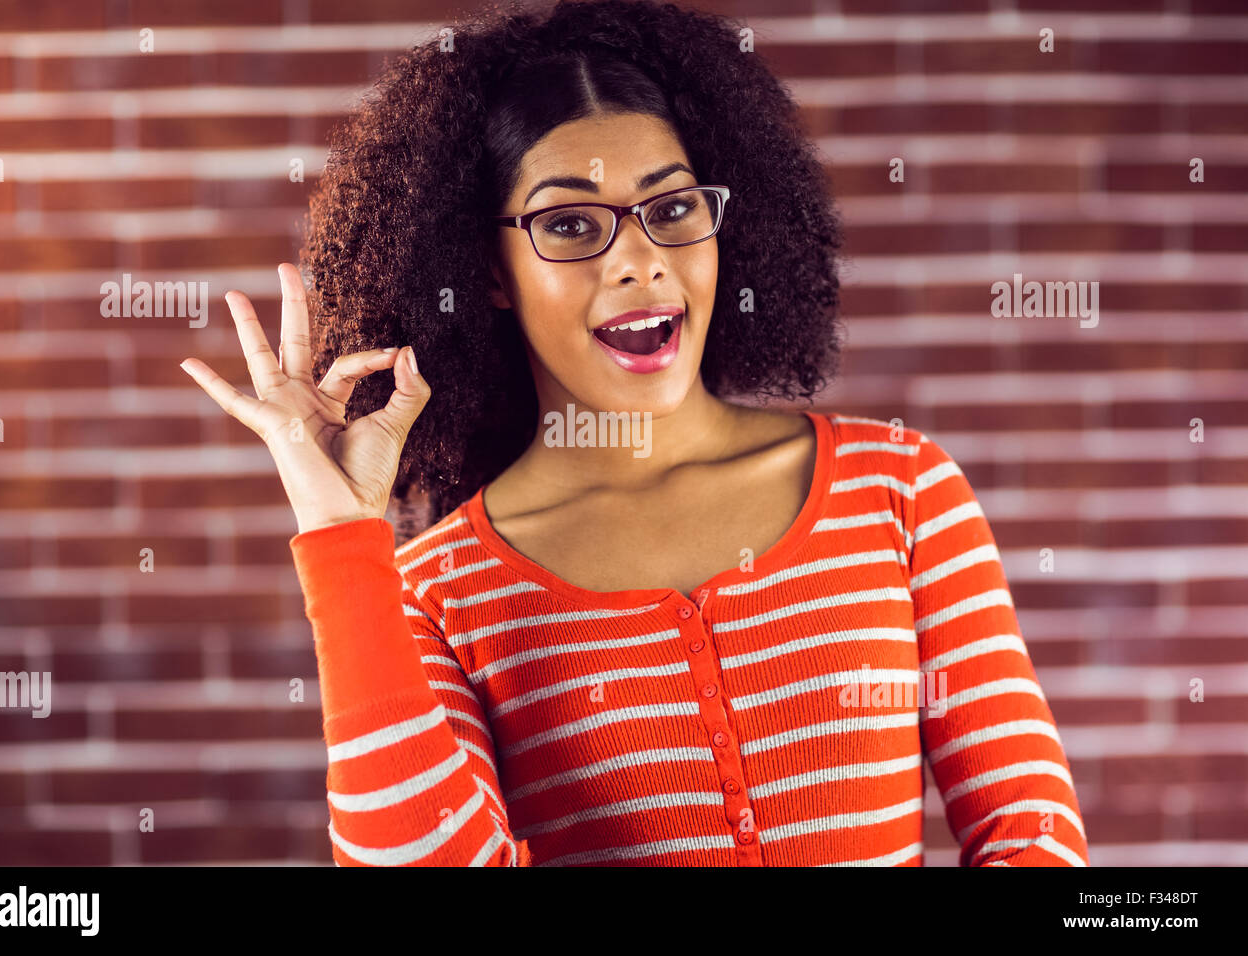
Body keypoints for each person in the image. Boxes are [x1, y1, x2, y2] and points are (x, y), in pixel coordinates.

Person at [179, 0, 1089, 866]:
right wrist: (344, 543)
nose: (639, 259)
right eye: (569, 224)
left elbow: (1035, 833)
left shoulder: (903, 491)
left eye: (673, 207)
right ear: (486, 273)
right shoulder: (433, 593)